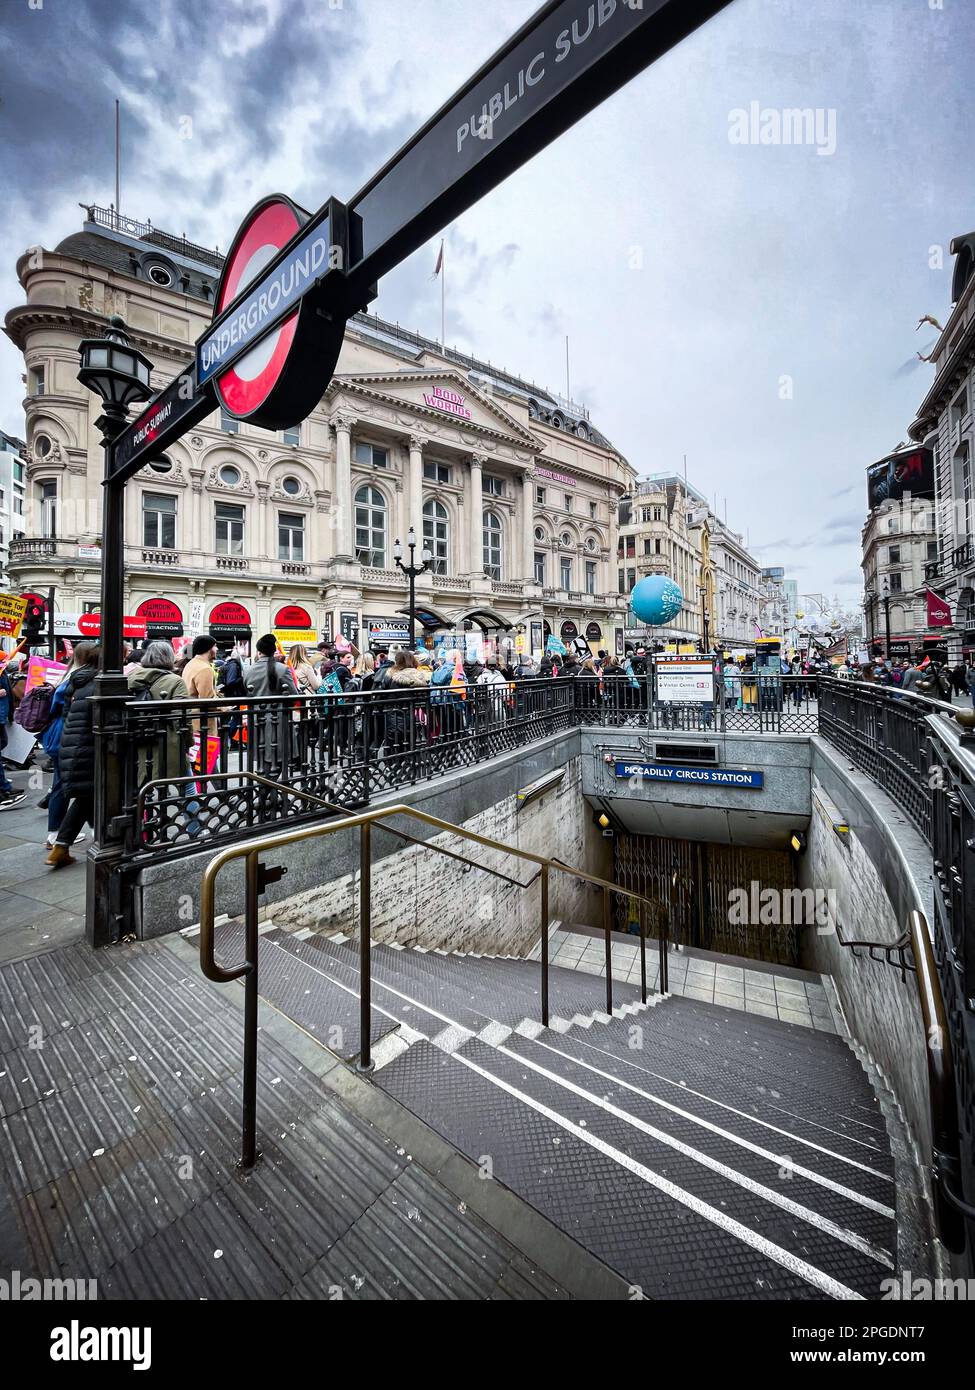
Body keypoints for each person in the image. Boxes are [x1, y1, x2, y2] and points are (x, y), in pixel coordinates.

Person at [46, 645, 102, 867]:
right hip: (88, 746)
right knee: (88, 796)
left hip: (71, 743)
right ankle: (60, 846)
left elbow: (65, 713)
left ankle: (62, 846)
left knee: (88, 795)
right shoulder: (100, 683)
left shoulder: (76, 681)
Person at [243, 633, 297, 775]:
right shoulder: (282, 669)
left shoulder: (248, 670)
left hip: (256, 719)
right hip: (278, 720)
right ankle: (267, 791)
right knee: (276, 760)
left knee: (263, 759)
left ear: (259, 652)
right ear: (274, 651)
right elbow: (293, 694)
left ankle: (264, 790)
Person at [0, 657, 27, 811]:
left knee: (3, 743)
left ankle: (4, 785)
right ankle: (4, 787)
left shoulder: (2, 669)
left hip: (2, 714)